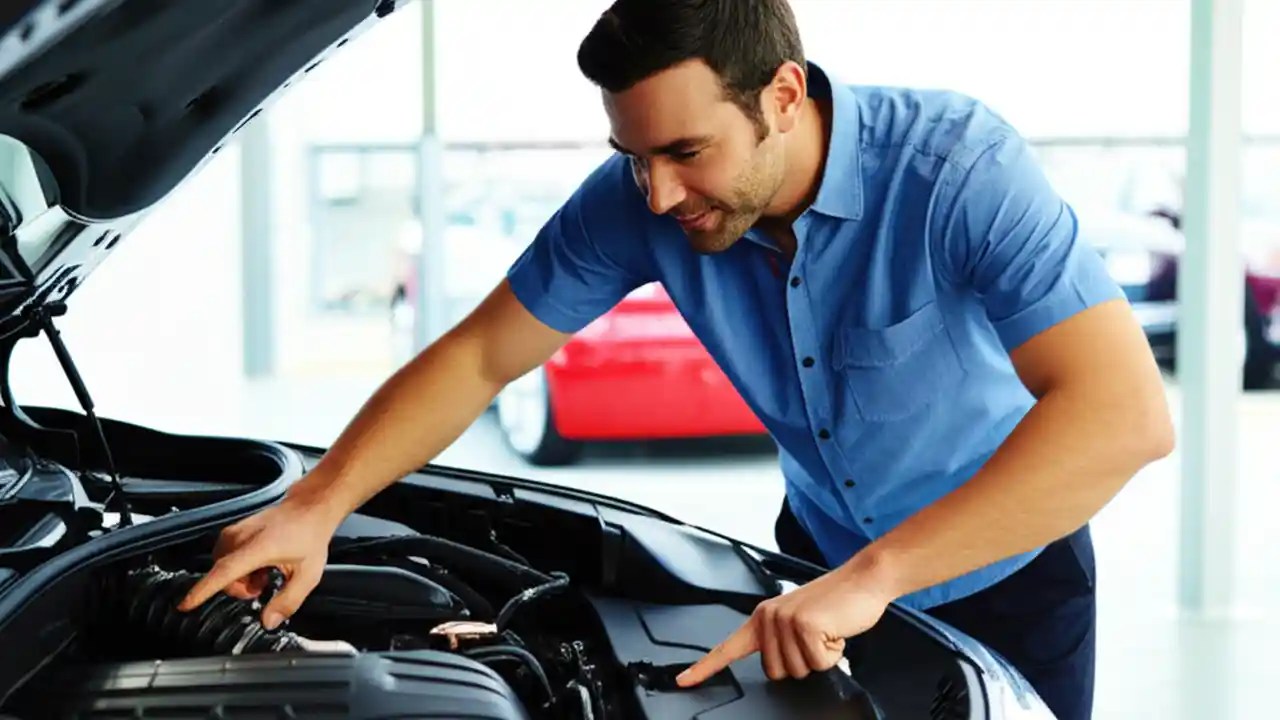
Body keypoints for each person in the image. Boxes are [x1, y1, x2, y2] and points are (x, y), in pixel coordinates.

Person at [177, 1, 1174, 718]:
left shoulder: (956, 170)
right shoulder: (638, 196)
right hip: (810, 563)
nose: (654, 196)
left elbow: (1120, 417)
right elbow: (481, 355)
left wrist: (876, 577)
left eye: (685, 153)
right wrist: (317, 504)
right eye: (632, 158)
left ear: (780, 95)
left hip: (1006, 578)